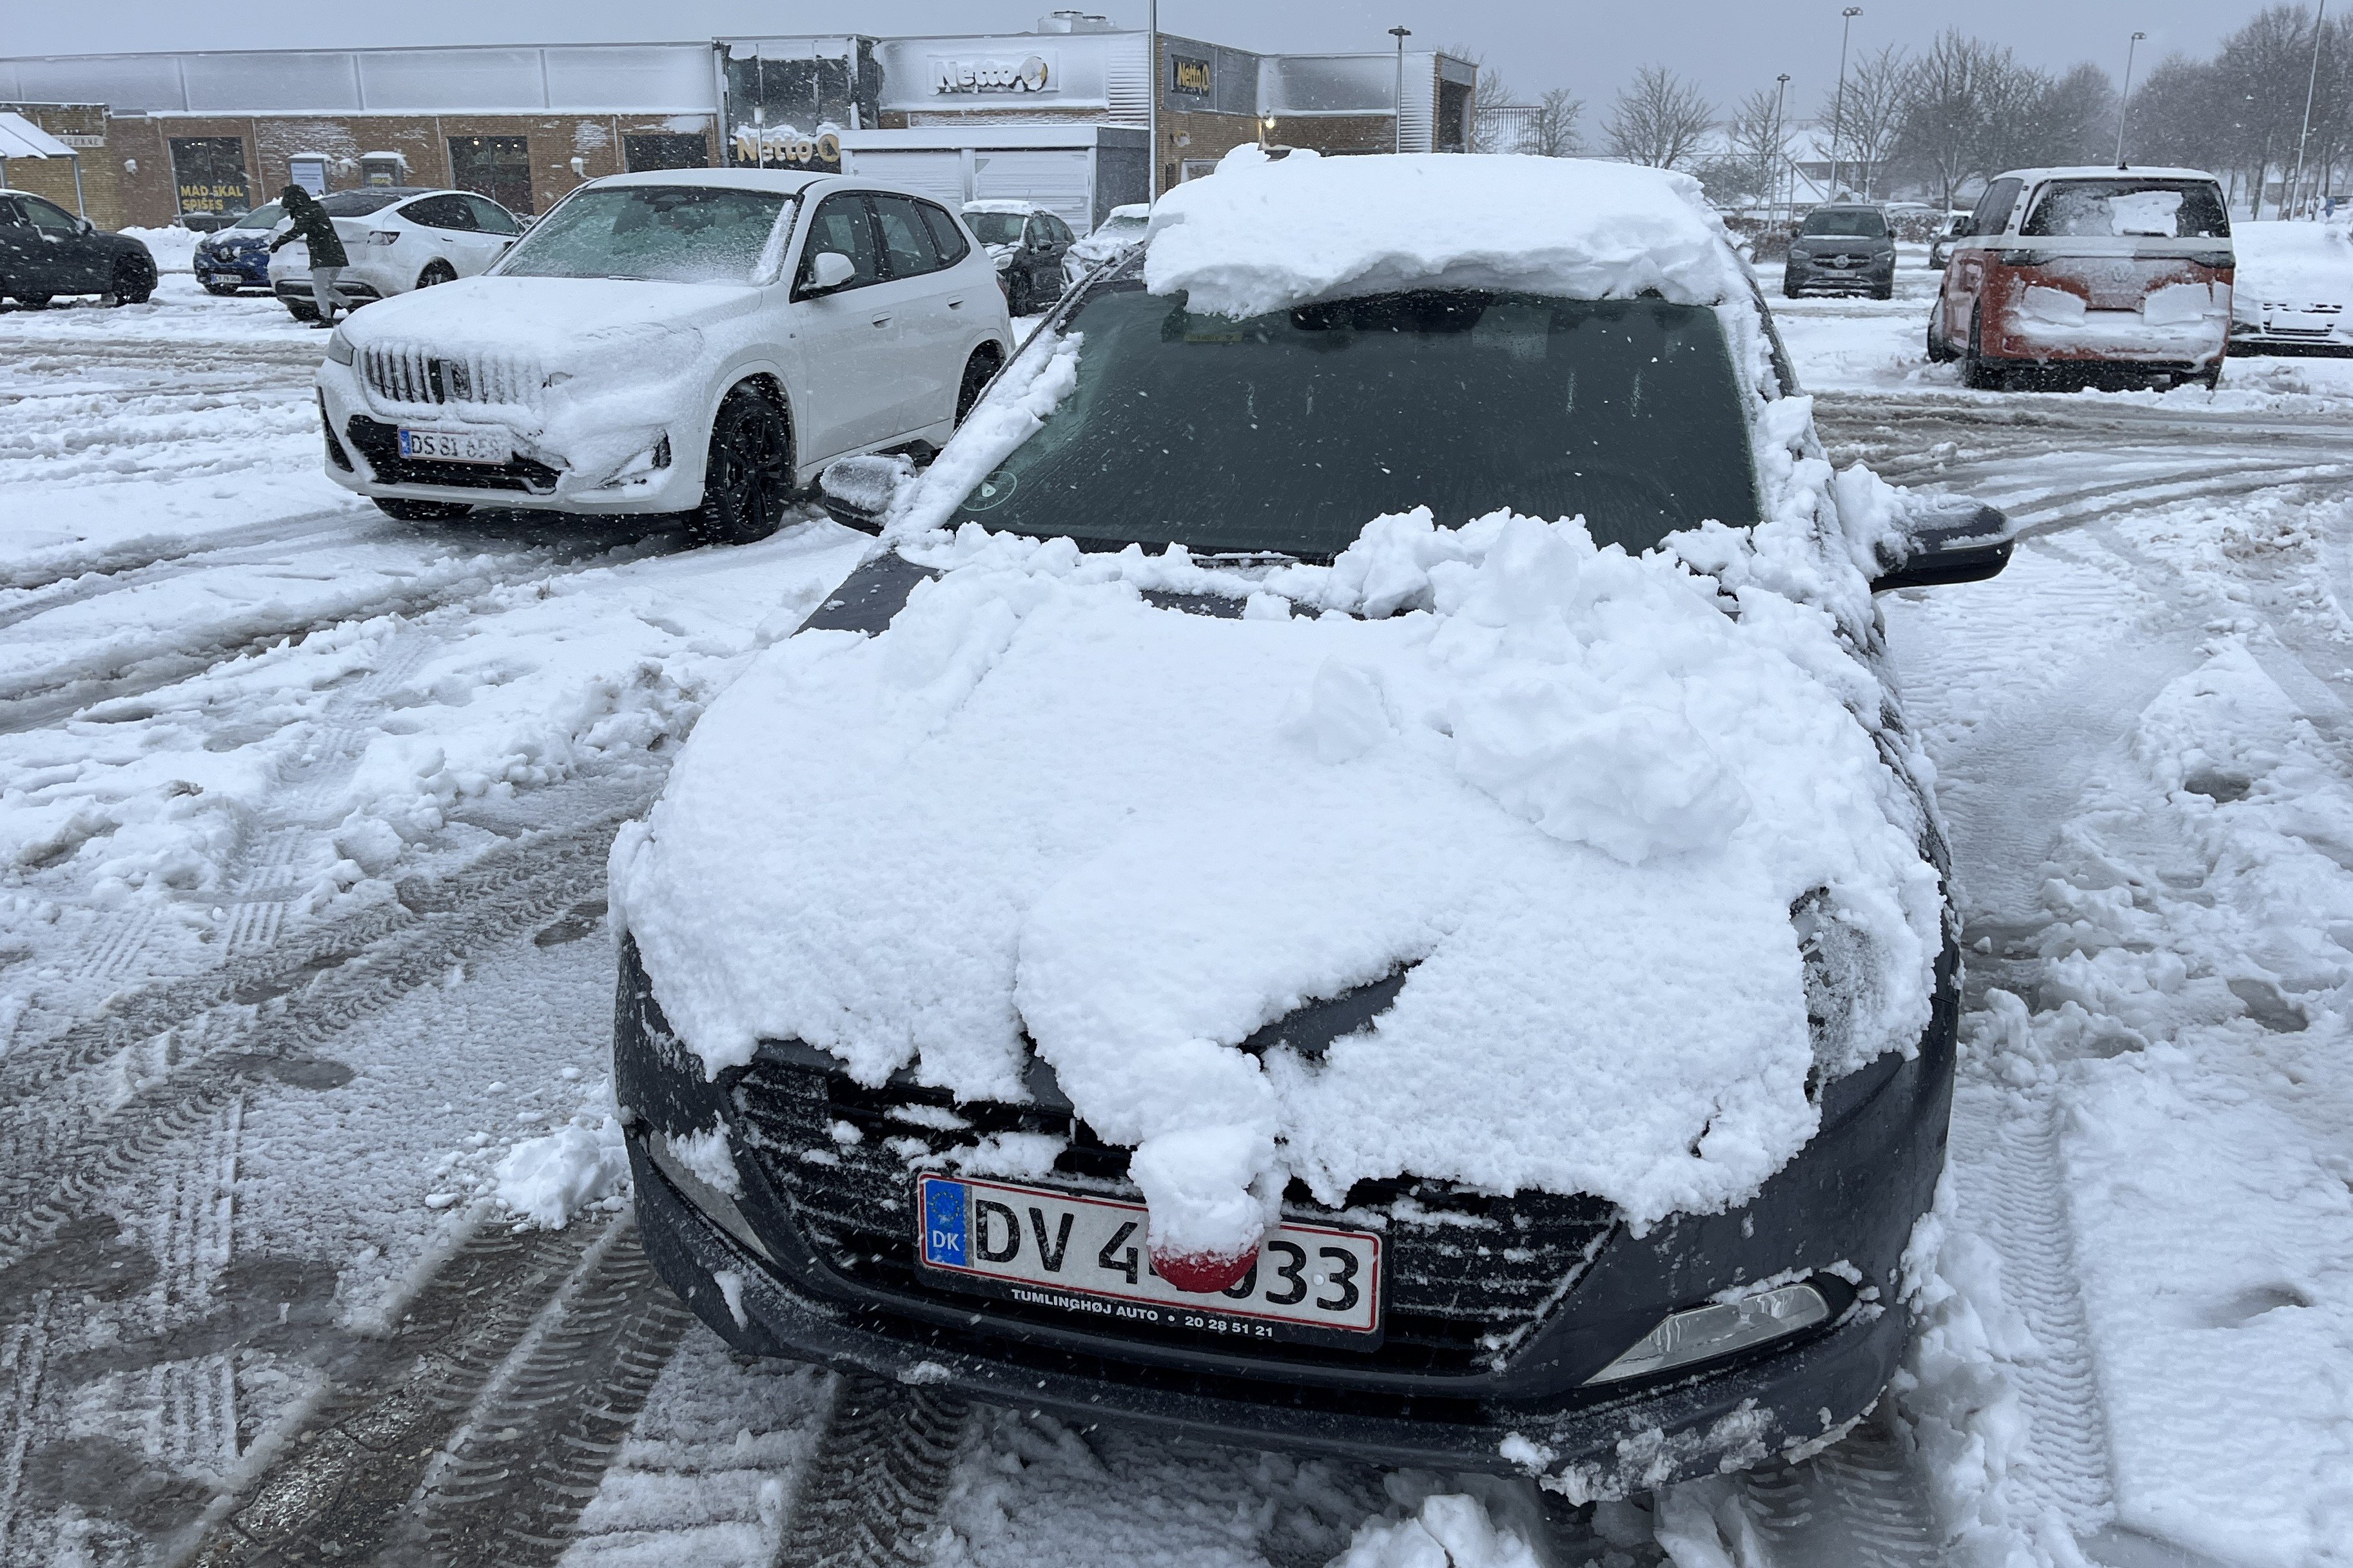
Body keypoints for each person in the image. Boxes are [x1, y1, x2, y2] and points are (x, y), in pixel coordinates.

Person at [267, 183, 351, 325]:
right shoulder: (315, 208)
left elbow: (298, 230)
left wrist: (278, 243)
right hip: (335, 253)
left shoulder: (304, 210)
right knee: (328, 287)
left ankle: (327, 319)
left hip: (323, 255)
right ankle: (351, 307)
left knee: (319, 289)